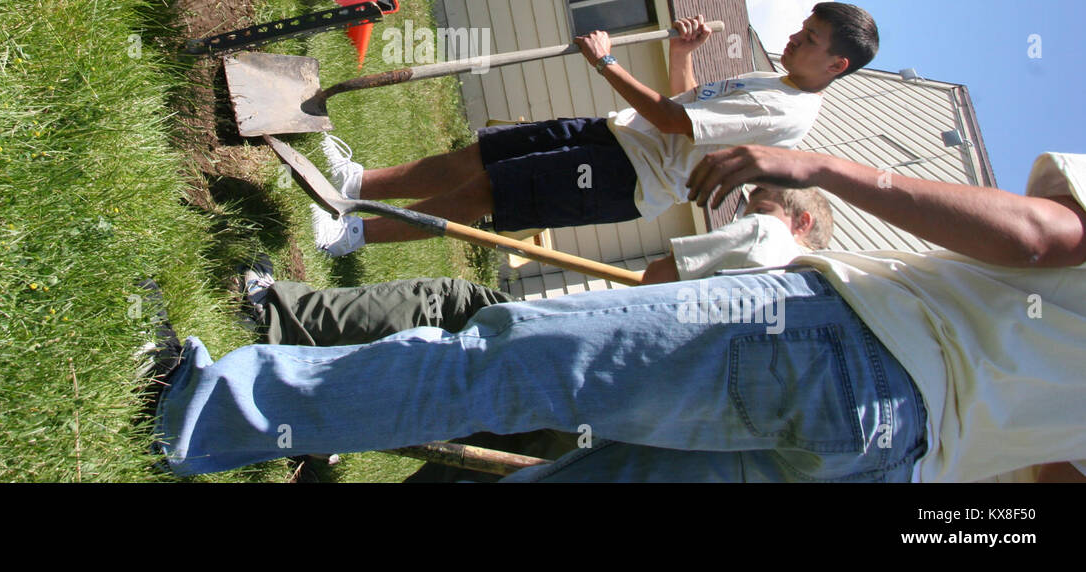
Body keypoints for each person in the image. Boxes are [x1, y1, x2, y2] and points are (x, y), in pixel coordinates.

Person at [153, 143, 1086, 482]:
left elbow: (1045, 240)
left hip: (854, 346)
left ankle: (197, 413)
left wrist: (832, 167)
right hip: (895, 469)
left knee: (503, 361)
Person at [310, 2, 875, 257]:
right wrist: (683, 53)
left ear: (836, 66)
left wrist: (607, 64)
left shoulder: (788, 113)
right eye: (803, 26)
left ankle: (351, 237)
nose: (796, 38)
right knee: (481, 157)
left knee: (491, 192)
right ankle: (355, 185)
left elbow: (673, 121)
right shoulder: (775, 81)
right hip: (614, 136)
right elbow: (689, 111)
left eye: (811, 39)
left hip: (626, 176)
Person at [243, 181, 833, 346]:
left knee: (451, 306)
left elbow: (658, 279)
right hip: (622, 377)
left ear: (799, 220)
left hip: (598, 340)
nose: (745, 214)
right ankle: (321, 411)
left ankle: (278, 314)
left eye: (760, 203)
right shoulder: (803, 303)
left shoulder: (771, 239)